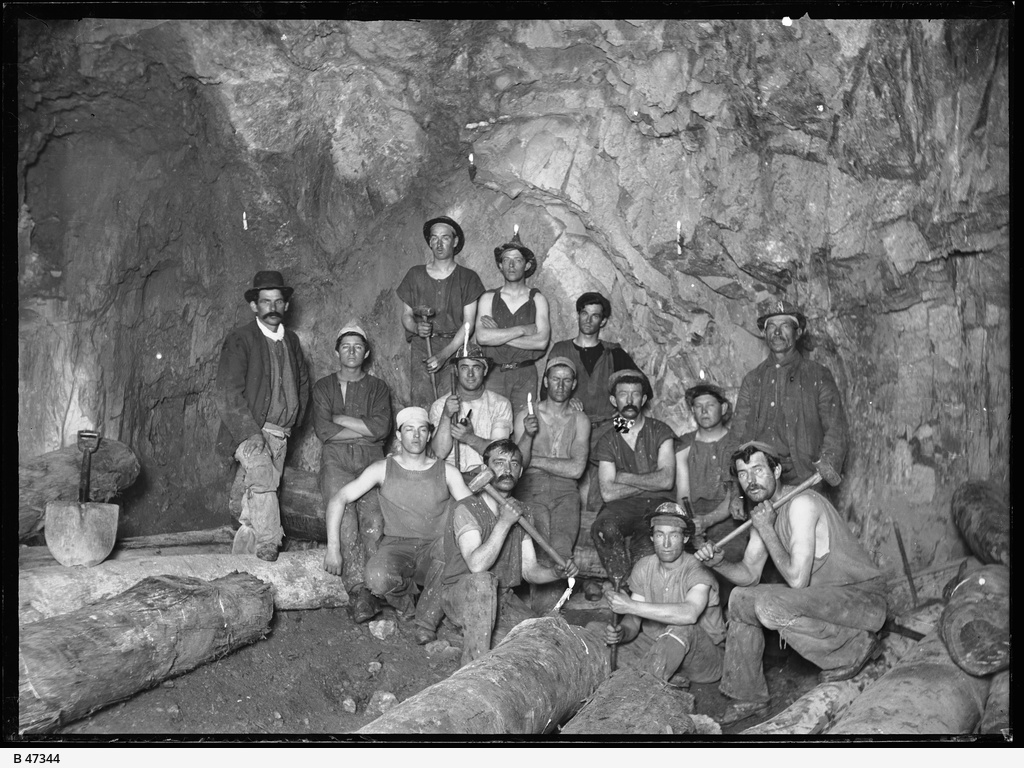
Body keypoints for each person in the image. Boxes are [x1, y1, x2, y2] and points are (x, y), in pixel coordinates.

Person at [695, 441, 888, 725]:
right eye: (743, 473)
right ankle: (749, 695)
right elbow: (750, 574)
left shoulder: (801, 504)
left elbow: (797, 580)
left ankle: (854, 648)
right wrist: (718, 563)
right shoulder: (766, 511)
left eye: (759, 470)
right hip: (825, 600)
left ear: (775, 470)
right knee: (739, 598)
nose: (751, 480)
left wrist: (765, 529)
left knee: (769, 606)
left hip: (861, 600)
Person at [426, 438, 579, 667]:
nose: (507, 470)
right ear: (485, 467)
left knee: (543, 641)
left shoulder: (523, 512)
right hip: (462, 595)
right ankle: (471, 669)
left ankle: (474, 639)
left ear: (520, 471)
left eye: (514, 464)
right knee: (482, 582)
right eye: (499, 463)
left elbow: (529, 570)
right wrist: (504, 523)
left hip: (503, 599)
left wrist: (556, 572)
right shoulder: (466, 508)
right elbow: (476, 567)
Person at [322, 407, 471, 625]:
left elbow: (471, 508)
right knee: (376, 578)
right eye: (409, 430)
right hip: (398, 548)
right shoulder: (382, 469)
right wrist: (333, 549)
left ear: (429, 434)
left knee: (451, 550)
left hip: (435, 549)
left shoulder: (447, 471)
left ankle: (426, 621)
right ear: (399, 435)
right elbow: (339, 498)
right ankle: (411, 604)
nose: (416, 435)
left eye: (422, 430)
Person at [216, 270, 310, 562]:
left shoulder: (291, 340)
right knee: (263, 480)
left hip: (281, 432)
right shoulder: (241, 339)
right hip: (250, 429)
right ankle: (270, 544)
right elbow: (228, 392)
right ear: (254, 306)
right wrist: (251, 433)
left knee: (252, 497)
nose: (273, 307)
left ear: (286, 306)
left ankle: (244, 559)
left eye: (278, 301)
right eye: (265, 301)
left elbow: (303, 382)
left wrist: (295, 420)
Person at [587, 503, 725, 687]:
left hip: (703, 659)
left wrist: (629, 605)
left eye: (673, 535)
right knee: (594, 631)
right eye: (660, 535)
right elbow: (633, 622)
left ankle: (642, 692)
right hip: (655, 649)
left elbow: (689, 613)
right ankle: (665, 680)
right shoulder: (644, 566)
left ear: (685, 539)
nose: (666, 543)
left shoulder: (698, 568)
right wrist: (622, 633)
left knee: (681, 627)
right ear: (652, 537)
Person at [312, 322, 392, 612]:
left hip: (372, 458)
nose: (351, 351)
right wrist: (365, 429)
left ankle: (377, 586)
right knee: (345, 519)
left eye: (358, 346)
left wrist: (340, 419)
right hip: (336, 458)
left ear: (366, 352)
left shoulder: (378, 387)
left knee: (374, 519)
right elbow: (323, 430)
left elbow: (381, 429)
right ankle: (358, 592)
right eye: (345, 346)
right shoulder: (323, 387)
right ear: (336, 352)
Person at [728, 299, 849, 491]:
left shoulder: (817, 375)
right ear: (764, 333)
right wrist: (736, 491)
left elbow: (835, 428)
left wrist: (827, 464)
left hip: (804, 479)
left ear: (798, 332)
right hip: (761, 483)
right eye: (772, 327)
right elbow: (738, 434)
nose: (777, 332)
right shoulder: (753, 380)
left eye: (785, 326)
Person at [589, 369, 676, 586]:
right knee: (604, 528)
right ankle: (622, 587)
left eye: (635, 394)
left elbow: (666, 481)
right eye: (622, 395)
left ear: (643, 398)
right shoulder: (609, 438)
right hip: (622, 507)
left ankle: (640, 594)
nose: (629, 400)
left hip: (658, 504)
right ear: (613, 400)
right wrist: (650, 482)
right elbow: (608, 493)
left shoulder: (660, 431)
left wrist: (625, 477)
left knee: (647, 550)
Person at [397, 216, 485, 408]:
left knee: (449, 406)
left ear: (454, 242)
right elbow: (406, 315)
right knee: (421, 405)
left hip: (453, 348)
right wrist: (416, 327)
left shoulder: (468, 278)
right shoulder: (415, 274)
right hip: (422, 347)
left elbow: (468, 324)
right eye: (434, 238)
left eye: (445, 237)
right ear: (429, 242)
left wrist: (445, 355)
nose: (439, 243)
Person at [513, 356, 591, 566]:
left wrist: (535, 461)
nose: (561, 385)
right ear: (546, 381)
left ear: (574, 384)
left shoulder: (580, 420)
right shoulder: (526, 416)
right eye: (555, 379)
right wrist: (528, 436)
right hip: (531, 489)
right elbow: (518, 464)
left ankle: (554, 599)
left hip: (566, 493)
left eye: (567, 380)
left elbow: (576, 469)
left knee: (561, 554)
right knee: (537, 550)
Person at [474, 231, 550, 415]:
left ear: (527, 265)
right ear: (500, 265)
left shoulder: (537, 299)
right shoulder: (488, 297)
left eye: (517, 260)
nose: (511, 264)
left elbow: (541, 342)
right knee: (494, 429)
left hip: (525, 374)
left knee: (524, 427)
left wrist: (499, 334)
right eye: (506, 259)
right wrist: (522, 330)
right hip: (494, 373)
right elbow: (482, 337)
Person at [674, 382, 746, 562]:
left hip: (727, 514)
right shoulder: (685, 445)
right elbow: (683, 495)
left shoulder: (738, 444)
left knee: (730, 556)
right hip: (694, 514)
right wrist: (691, 524)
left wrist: (707, 521)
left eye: (710, 405)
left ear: (723, 408)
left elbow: (735, 495)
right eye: (698, 406)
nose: (704, 411)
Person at [429, 345, 513, 480]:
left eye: (476, 367)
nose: (470, 374)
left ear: (485, 371)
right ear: (456, 371)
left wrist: (469, 438)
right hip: (450, 479)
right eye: (464, 368)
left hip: (486, 479)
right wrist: (446, 416)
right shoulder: (440, 406)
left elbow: (500, 455)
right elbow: (439, 453)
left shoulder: (500, 404)